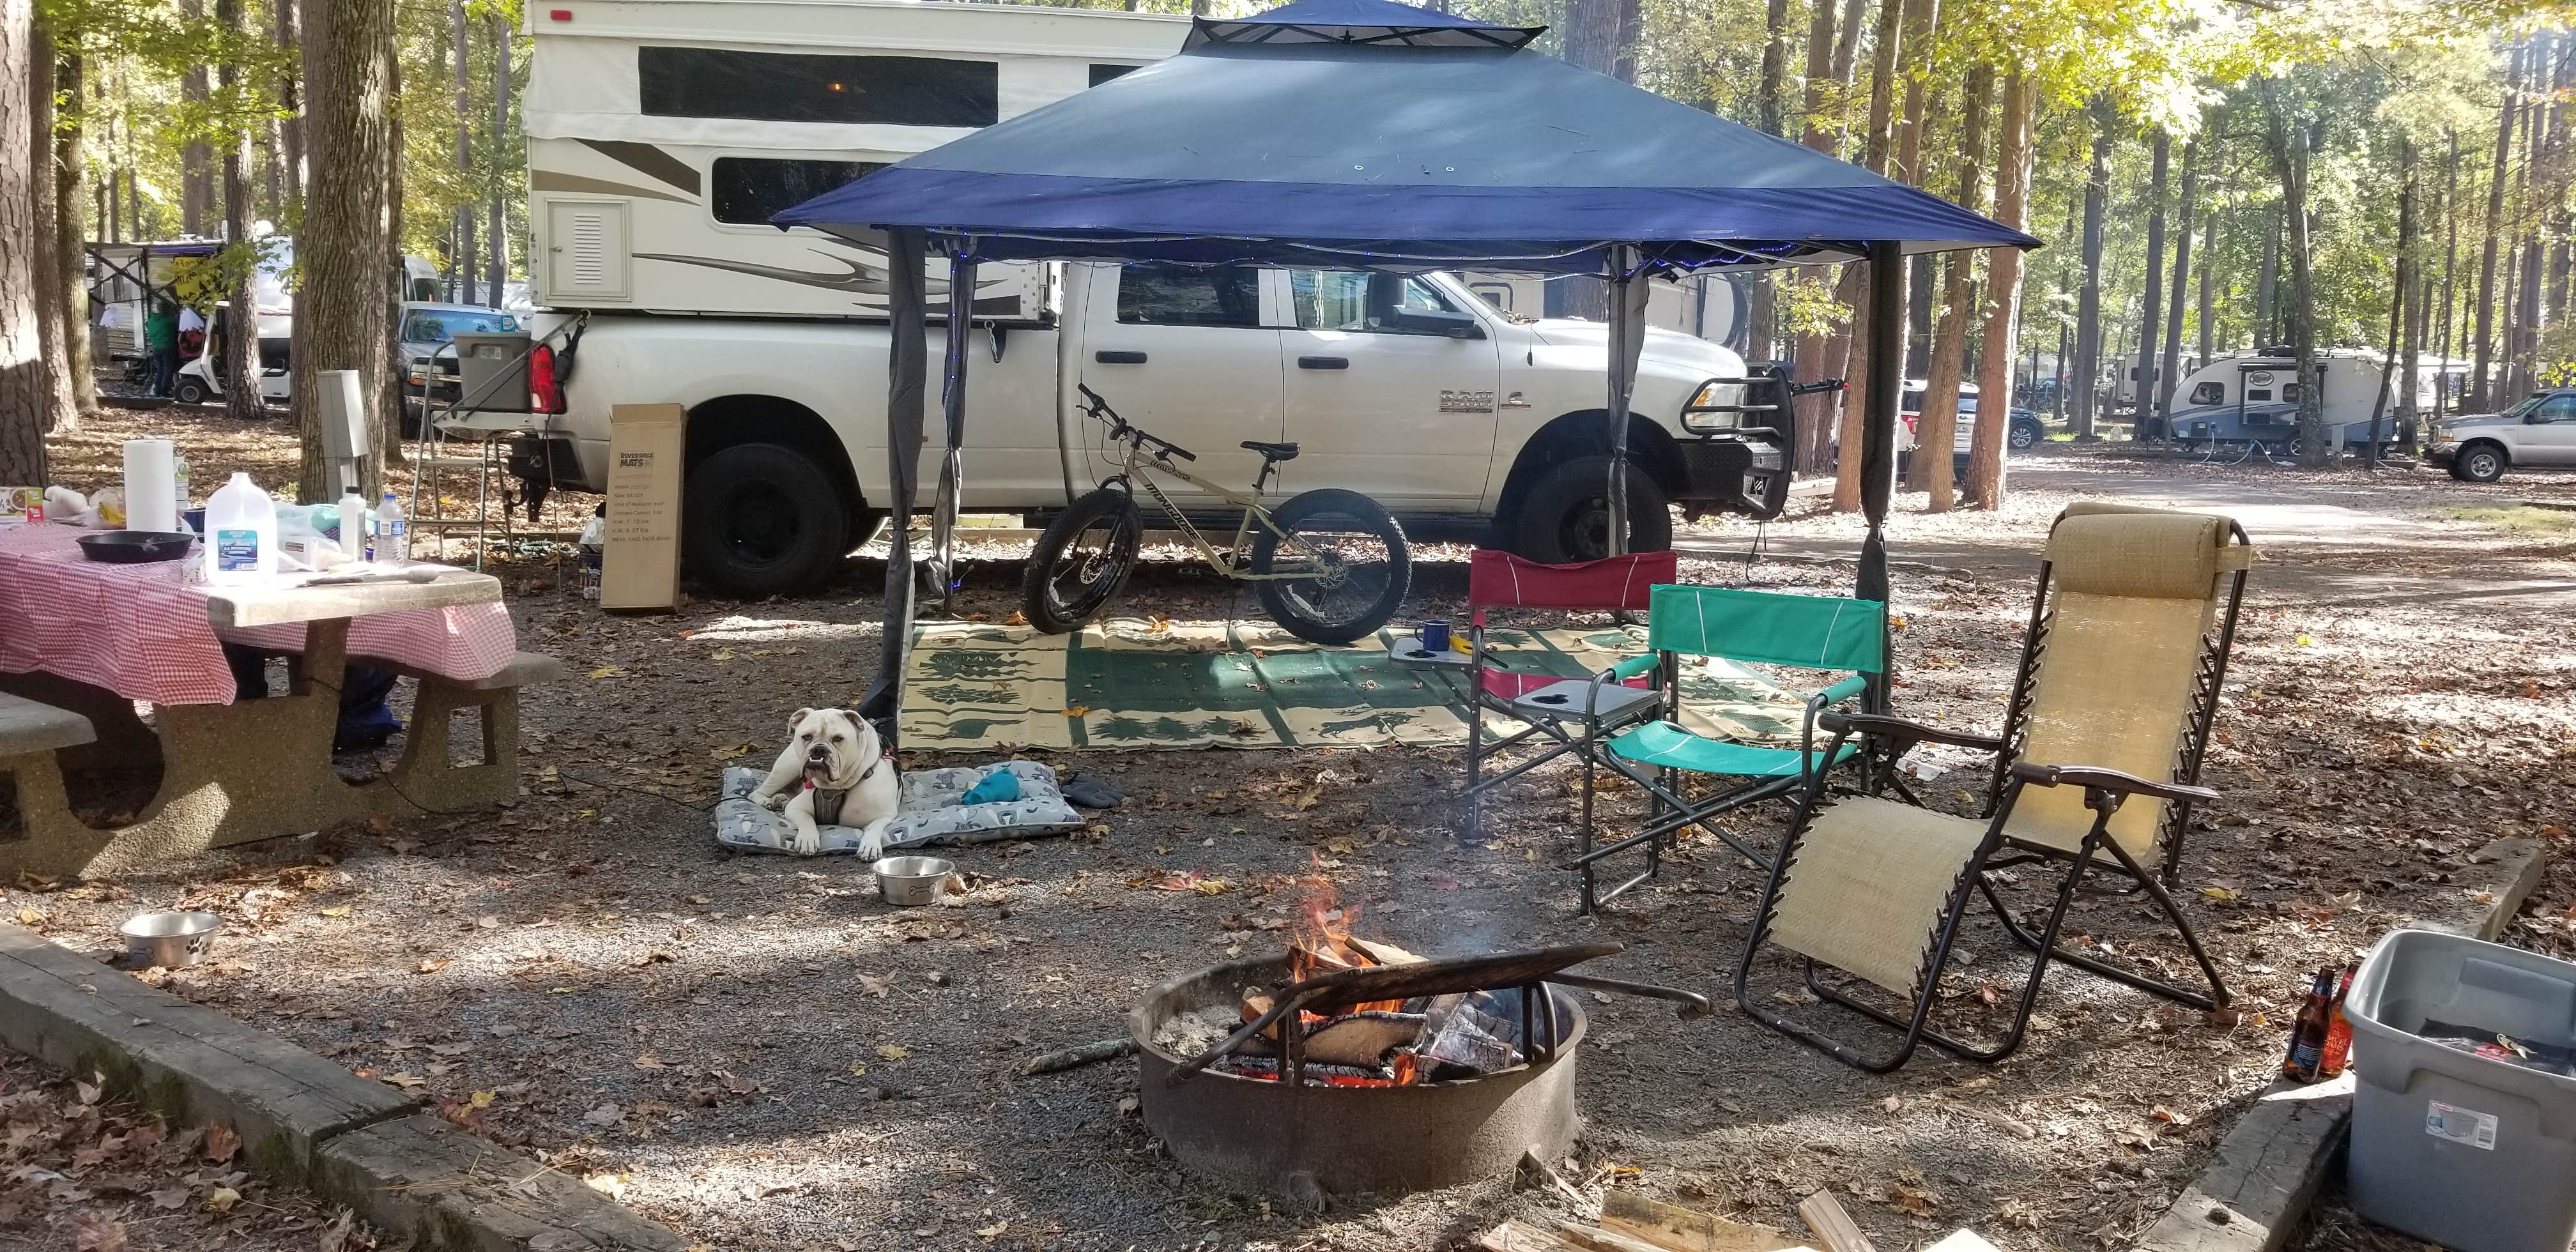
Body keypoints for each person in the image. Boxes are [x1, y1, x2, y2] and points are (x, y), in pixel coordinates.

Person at [144, 300, 180, 397]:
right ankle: (165, 391)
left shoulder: (151, 321)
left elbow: (147, 324)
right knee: (168, 370)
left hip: (156, 349)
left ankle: (157, 390)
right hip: (168, 348)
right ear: (167, 309)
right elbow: (177, 324)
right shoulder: (169, 320)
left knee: (161, 370)